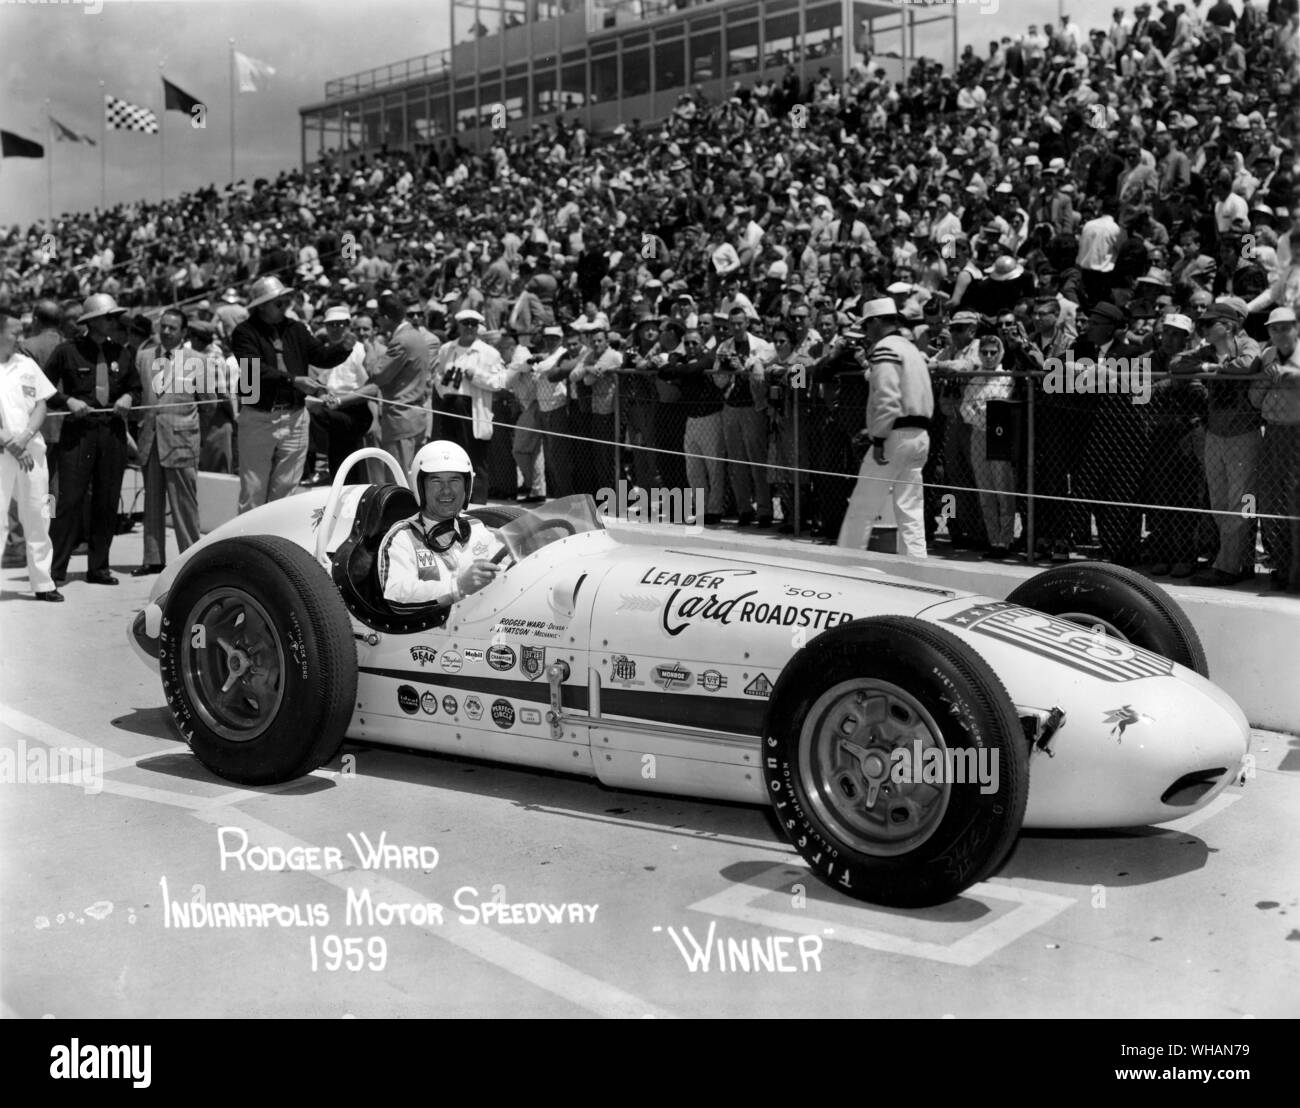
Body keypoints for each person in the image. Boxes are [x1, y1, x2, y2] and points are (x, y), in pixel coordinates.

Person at [230, 275, 351, 514]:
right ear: (262, 306)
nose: (286, 306)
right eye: (279, 303)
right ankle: (248, 546)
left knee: (285, 490)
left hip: (295, 415)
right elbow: (253, 368)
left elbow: (319, 356)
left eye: (286, 301)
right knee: (254, 490)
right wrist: (294, 381)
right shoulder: (244, 332)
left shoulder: (296, 328)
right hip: (259, 416)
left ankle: (275, 545)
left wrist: (343, 349)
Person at [44, 293, 142, 586]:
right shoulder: (67, 351)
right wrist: (67, 401)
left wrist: (127, 396)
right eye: (108, 317)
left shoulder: (122, 353)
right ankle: (56, 568)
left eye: (115, 317)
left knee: (107, 500)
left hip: (110, 431)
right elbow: (43, 387)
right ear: (92, 321)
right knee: (69, 500)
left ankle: (98, 567)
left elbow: (135, 388)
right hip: (79, 430)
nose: (114, 322)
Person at [838, 297, 934, 556]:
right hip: (920, 433)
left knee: (862, 506)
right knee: (910, 509)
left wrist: (878, 438)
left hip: (894, 435)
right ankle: (916, 568)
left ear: (877, 322)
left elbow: (886, 398)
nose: (867, 333)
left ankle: (845, 564)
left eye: (868, 326)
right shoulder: (911, 349)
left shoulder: (885, 349)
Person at [376, 440, 501, 611]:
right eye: (436, 481)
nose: (446, 490)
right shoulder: (403, 537)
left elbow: (506, 571)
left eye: (454, 480)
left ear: (466, 486)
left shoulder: (476, 527)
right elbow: (396, 595)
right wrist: (457, 586)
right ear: (421, 487)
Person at [133, 308, 202, 576]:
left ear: (184, 332)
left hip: (182, 439)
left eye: (172, 327)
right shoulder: (143, 357)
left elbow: (207, 403)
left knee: (184, 504)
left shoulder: (197, 360)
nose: (166, 331)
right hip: (150, 438)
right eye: (163, 326)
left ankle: (192, 559)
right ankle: (152, 559)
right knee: (152, 502)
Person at [0, 308, 61, 600]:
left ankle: (43, 583)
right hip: (2, 452)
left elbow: (40, 405)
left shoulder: (26, 364)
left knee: (38, 513)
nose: (19, 337)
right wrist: (11, 443)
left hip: (31, 450)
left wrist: (24, 438)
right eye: (14, 332)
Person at [1248, 307, 1300, 592]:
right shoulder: (1267, 356)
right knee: (1270, 502)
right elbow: (1255, 399)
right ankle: (1282, 566)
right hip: (1273, 431)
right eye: (1274, 328)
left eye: (1285, 327)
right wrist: (1268, 378)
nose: (1279, 333)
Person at [432, 308, 504, 501]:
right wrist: (445, 388)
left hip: (474, 409)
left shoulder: (490, 353)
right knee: (450, 458)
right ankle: (453, 501)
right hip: (449, 406)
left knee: (476, 459)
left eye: (474, 323)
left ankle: (477, 505)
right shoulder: (447, 349)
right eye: (466, 323)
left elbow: (499, 382)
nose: (470, 327)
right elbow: (437, 375)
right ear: (459, 325)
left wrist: (476, 377)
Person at [304, 304, 373, 484]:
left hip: (355, 409)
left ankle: (321, 465)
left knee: (318, 417)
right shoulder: (325, 350)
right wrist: (322, 394)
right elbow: (320, 382)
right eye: (331, 325)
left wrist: (341, 401)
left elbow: (371, 388)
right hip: (332, 409)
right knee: (340, 461)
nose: (336, 328)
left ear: (348, 325)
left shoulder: (359, 350)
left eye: (340, 324)